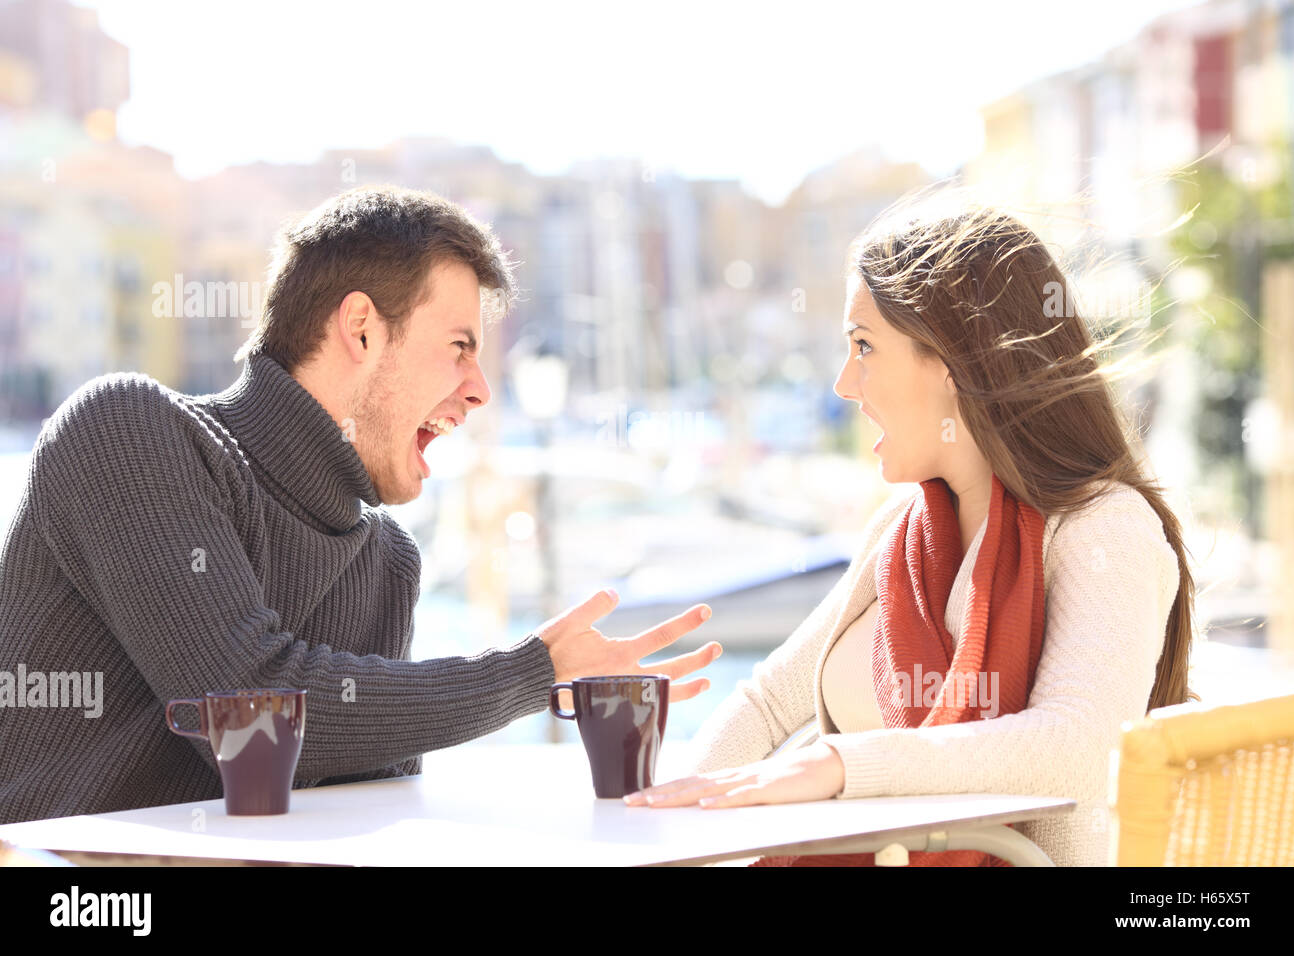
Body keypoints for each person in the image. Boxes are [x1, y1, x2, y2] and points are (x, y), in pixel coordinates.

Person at [0, 185, 720, 825]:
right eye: (459, 347)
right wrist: (532, 673)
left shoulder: (385, 560)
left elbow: (363, 814)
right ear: (362, 328)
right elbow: (246, 703)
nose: (479, 389)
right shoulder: (129, 429)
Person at [625, 190, 1200, 868]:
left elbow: (1076, 747)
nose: (844, 383)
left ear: (954, 361)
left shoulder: (1103, 530)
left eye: (864, 346)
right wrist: (674, 816)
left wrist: (841, 767)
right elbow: (766, 701)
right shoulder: (897, 532)